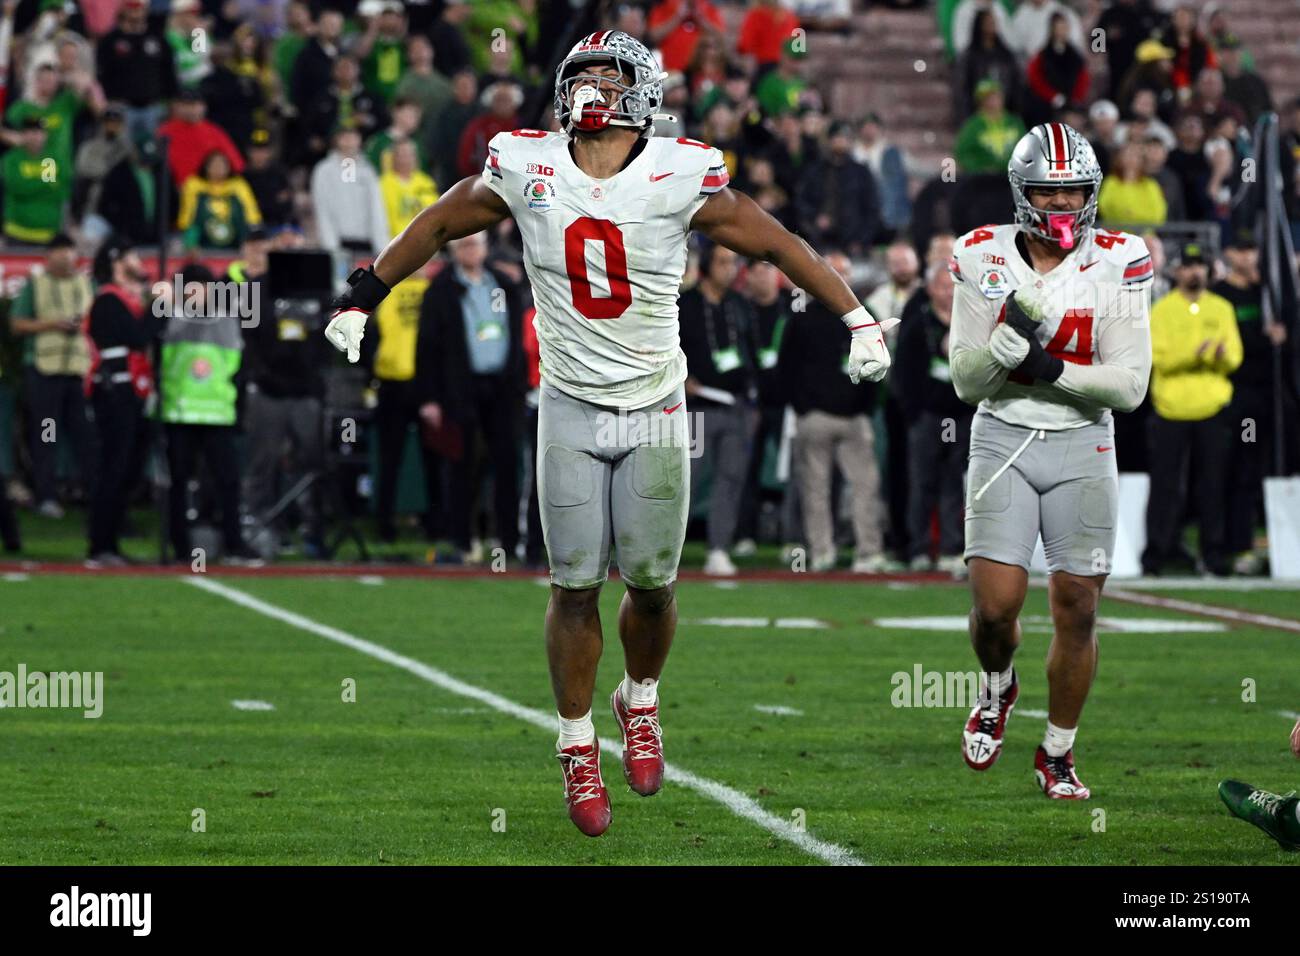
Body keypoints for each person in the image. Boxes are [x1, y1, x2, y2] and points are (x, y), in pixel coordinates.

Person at [322, 31, 895, 837]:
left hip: (655, 404)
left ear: (642, 94)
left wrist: (857, 318)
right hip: (568, 404)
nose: (589, 88)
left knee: (655, 586)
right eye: (578, 75)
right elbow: (445, 219)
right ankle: (576, 740)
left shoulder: (680, 172)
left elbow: (777, 243)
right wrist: (362, 293)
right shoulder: (527, 163)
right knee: (573, 584)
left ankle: (641, 699)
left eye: (606, 76)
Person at [948, 123, 1154, 799]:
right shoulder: (982, 253)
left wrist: (1043, 366)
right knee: (997, 608)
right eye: (1050, 190)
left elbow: (1128, 387)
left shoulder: (1121, 256)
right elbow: (967, 381)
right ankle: (998, 684)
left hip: (1083, 441)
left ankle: (1058, 750)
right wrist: (1001, 350)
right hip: (1003, 437)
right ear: (1022, 192)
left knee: (1078, 607)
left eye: (1074, 191)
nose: (1063, 204)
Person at [416, 232, 526, 560]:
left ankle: (507, 540)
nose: (470, 250)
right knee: (463, 467)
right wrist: (429, 398)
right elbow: (427, 347)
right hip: (460, 389)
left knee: (507, 465)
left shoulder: (504, 285)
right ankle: (464, 541)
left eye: (475, 243)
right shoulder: (440, 290)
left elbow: (519, 337)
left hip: (504, 388)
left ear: (485, 247)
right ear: (452, 250)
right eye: (463, 244)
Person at [779, 250, 888, 573]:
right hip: (818, 417)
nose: (840, 279)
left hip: (852, 418)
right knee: (816, 489)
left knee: (863, 487)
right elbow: (786, 371)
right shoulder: (804, 318)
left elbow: (876, 366)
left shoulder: (862, 317)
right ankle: (824, 550)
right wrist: (803, 408)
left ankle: (865, 552)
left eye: (844, 273)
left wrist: (864, 408)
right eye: (834, 273)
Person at [1142, 242, 1242, 577]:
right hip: (1171, 409)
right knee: (1166, 487)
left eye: (1200, 265)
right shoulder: (1162, 310)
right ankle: (1157, 554)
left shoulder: (1222, 308)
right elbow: (1159, 358)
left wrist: (1218, 356)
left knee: (1213, 486)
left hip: (1212, 408)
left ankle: (1213, 555)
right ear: (1177, 271)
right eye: (1188, 265)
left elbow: (1234, 356)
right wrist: (1196, 355)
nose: (1194, 271)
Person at [679, 244, 761, 576]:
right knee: (685, 482)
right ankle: (659, 549)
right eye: (723, 262)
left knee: (731, 479)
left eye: (734, 262)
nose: (731, 269)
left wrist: (753, 401)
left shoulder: (741, 306)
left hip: (735, 409)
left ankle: (718, 549)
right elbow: (666, 348)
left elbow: (752, 354)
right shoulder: (685, 305)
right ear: (707, 267)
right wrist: (679, 380)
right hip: (695, 409)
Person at [1212, 230, 1288, 575]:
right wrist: (1264, 339)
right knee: (1229, 469)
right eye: (1242, 249)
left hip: (1261, 398)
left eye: (1252, 248)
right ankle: (1227, 544)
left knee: (1251, 468)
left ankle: (1246, 543)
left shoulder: (1266, 292)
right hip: (1232, 395)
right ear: (1228, 253)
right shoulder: (1219, 296)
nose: (1249, 256)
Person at [8, 234, 94, 519]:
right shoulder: (36, 285)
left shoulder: (85, 283)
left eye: (70, 253)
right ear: (49, 257)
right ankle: (46, 495)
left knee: (83, 435)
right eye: (60, 254)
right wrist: (53, 324)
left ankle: (90, 493)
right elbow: (17, 324)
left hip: (76, 371)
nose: (66, 259)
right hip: (44, 371)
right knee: (47, 434)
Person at [893, 260, 970, 574]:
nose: (949, 293)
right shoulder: (918, 324)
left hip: (961, 417)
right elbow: (902, 373)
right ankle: (919, 549)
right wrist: (913, 414)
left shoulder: (970, 324)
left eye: (953, 286)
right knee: (922, 483)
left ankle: (953, 548)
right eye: (942, 286)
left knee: (955, 484)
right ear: (929, 290)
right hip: (928, 417)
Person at [85, 237, 156, 567]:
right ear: (117, 262)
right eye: (132, 256)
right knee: (113, 466)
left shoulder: (125, 299)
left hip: (130, 390)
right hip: (115, 391)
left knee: (125, 467)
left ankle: (110, 541)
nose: (138, 262)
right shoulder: (108, 301)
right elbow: (139, 338)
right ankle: (101, 544)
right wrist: (158, 306)